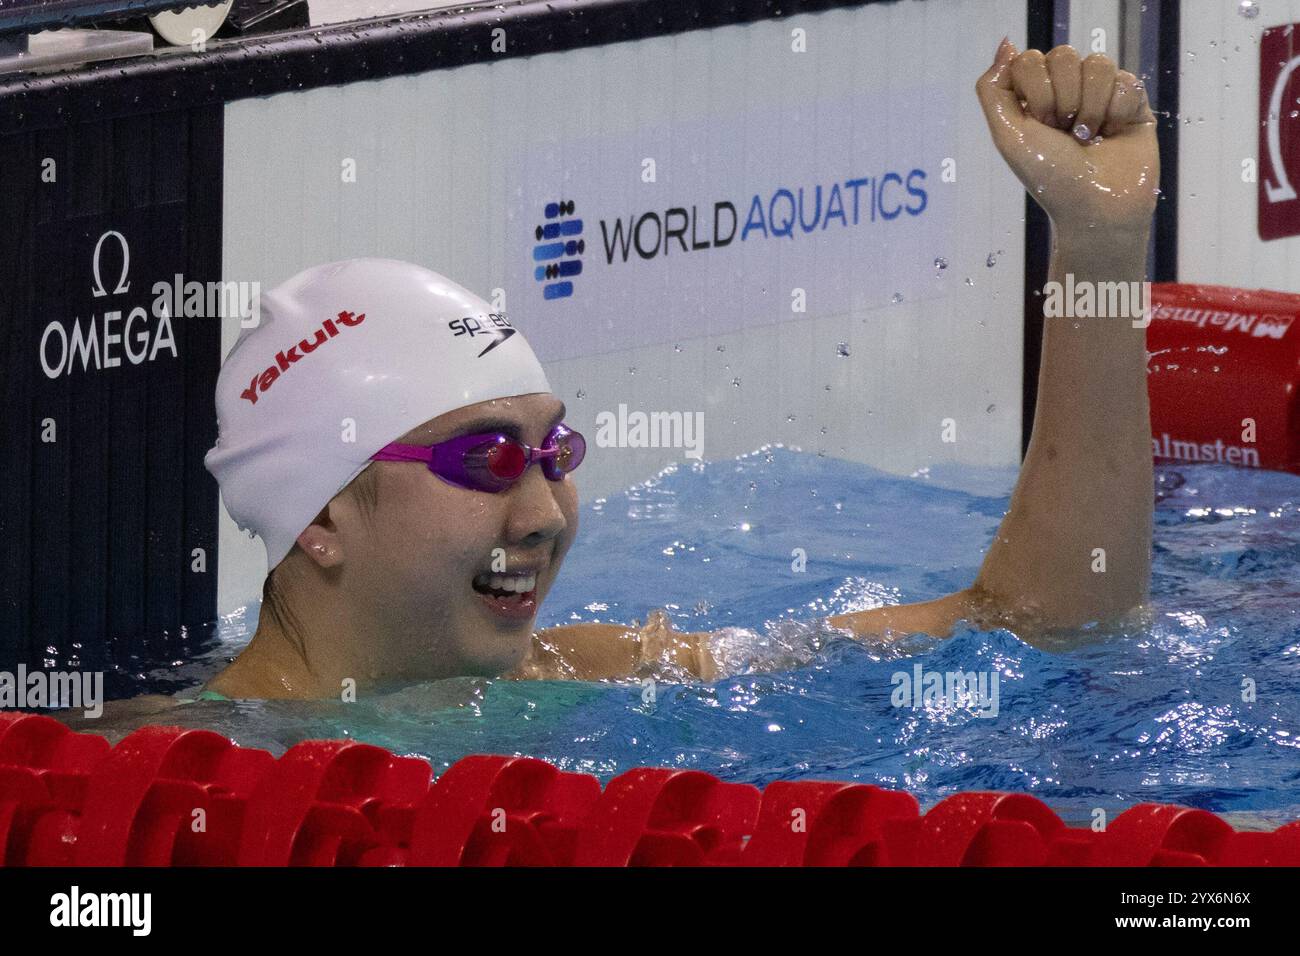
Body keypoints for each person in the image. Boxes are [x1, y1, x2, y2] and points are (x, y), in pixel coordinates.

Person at [200, 37, 1159, 699]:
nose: (542, 515)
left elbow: (1037, 620)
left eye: (555, 454)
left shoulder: (599, 675)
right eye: (486, 461)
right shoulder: (156, 772)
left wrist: (1103, 244)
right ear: (322, 514)